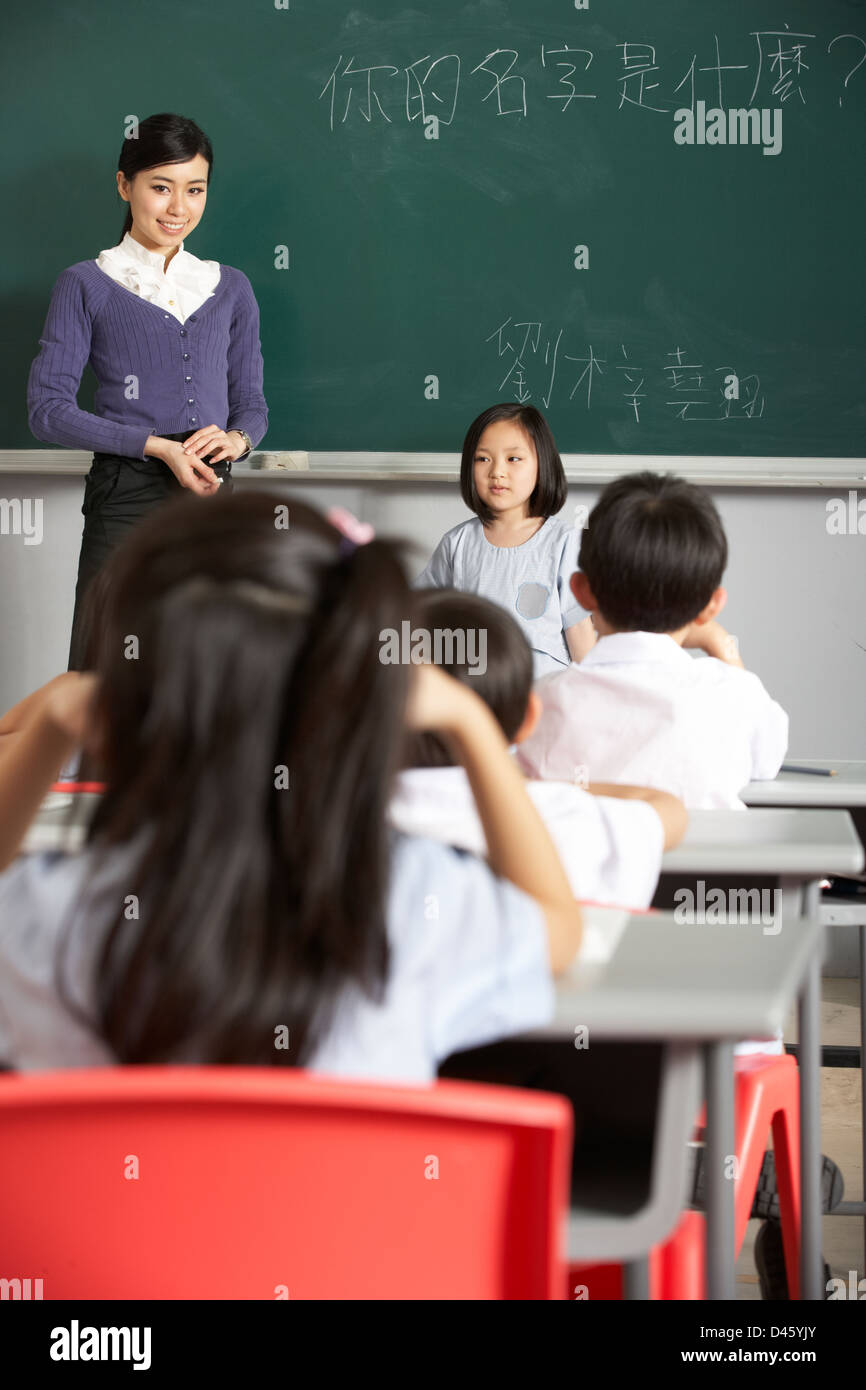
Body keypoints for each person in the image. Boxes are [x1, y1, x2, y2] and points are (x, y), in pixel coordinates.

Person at [0, 492, 582, 1079]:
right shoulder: (417, 901)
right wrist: (471, 726)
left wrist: (49, 729)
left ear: (133, 698)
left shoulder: (55, 912)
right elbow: (557, 929)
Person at [26, 112, 268, 670]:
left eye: (195, 189)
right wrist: (157, 447)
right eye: (161, 188)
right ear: (124, 185)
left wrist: (238, 441)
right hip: (126, 490)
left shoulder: (230, 288)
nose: (178, 207)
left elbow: (252, 404)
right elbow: (47, 411)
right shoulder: (86, 283)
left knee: (207, 664)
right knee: (105, 664)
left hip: (209, 490)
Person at [391, 587, 688, 908]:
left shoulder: (341, 814)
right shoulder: (552, 813)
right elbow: (666, 811)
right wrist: (515, 785)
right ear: (527, 720)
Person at [517, 470, 788, 810]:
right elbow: (768, 760)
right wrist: (720, 643)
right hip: (707, 862)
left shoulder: (540, 701)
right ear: (711, 606)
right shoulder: (734, 696)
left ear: (582, 592)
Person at [413, 403, 595, 679]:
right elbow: (420, 618)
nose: (497, 472)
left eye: (513, 459)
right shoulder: (457, 543)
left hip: (544, 700)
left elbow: (580, 635)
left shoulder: (565, 543)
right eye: (483, 459)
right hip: (474, 700)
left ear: (541, 463)